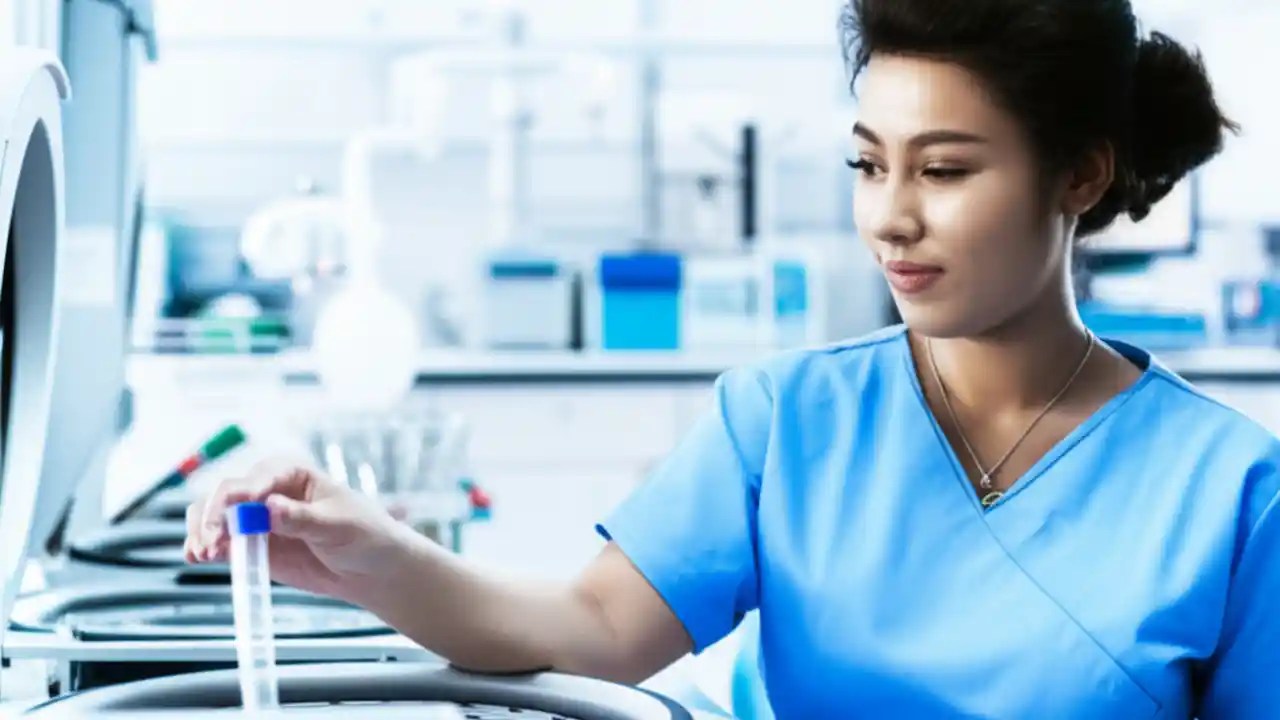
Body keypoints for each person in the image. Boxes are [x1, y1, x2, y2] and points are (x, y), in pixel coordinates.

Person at [186, 0, 1280, 717]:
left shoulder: (1227, 491)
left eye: (941, 171)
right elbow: (593, 631)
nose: (887, 220)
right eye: (866, 165)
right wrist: (371, 553)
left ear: (1078, 177)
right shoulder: (789, 421)